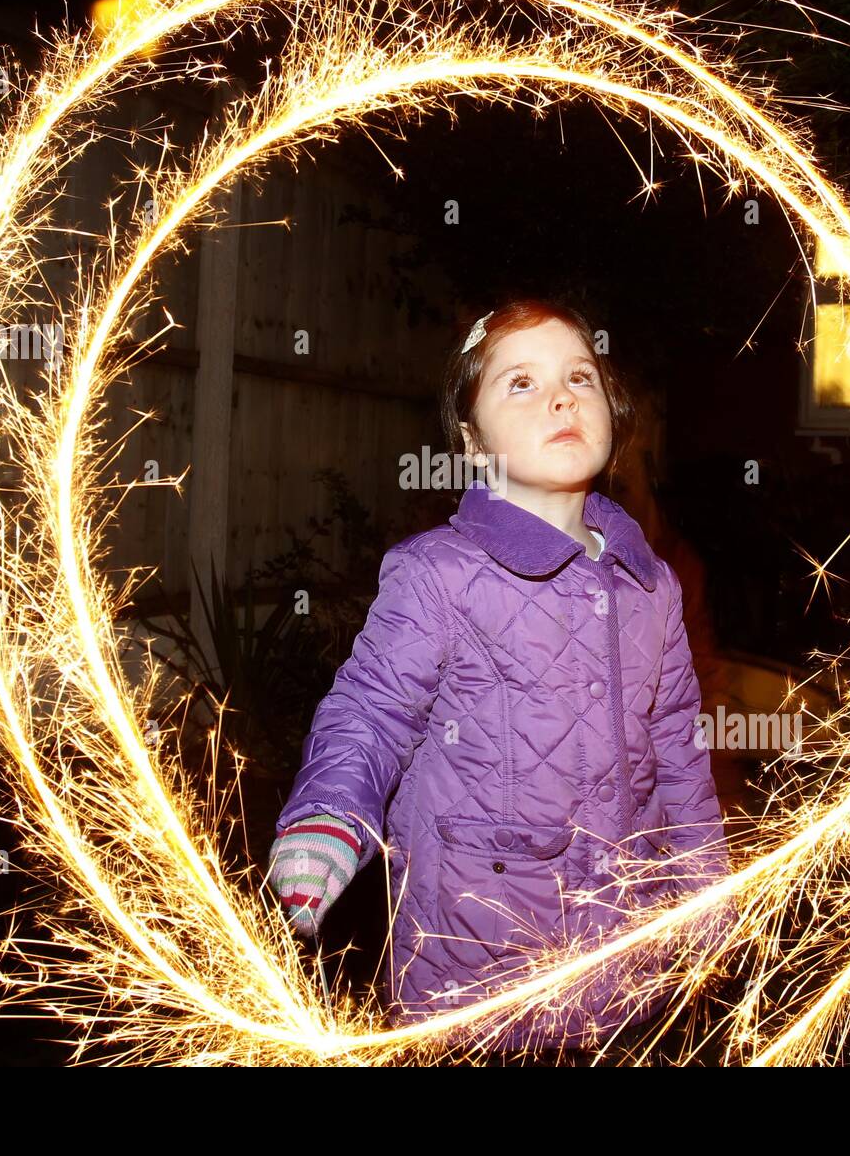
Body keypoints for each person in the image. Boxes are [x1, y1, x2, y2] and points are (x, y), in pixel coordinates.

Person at [268, 298, 737, 1055]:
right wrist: (329, 813)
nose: (560, 396)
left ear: (612, 413)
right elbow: (370, 710)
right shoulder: (437, 576)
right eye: (519, 382)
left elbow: (680, 755)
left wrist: (701, 886)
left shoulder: (653, 587)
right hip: (475, 984)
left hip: (617, 979)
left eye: (579, 377)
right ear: (471, 438)